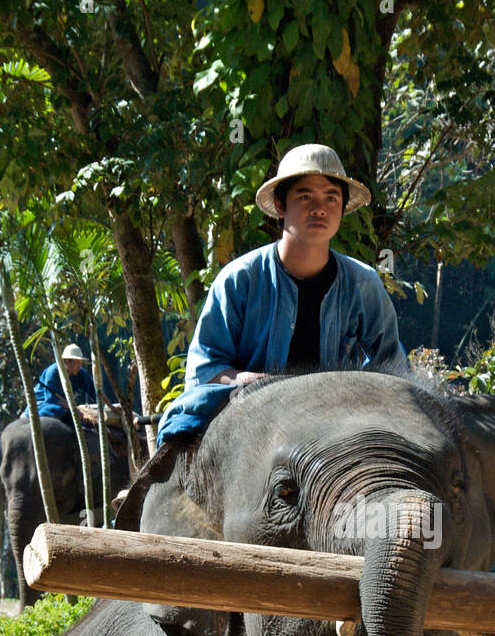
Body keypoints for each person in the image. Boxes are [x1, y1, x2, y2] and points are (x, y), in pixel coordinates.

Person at [157, 144, 409, 446]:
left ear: (342, 208)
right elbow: (205, 370)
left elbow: (393, 371)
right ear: (280, 205)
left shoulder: (363, 283)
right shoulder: (240, 279)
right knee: (181, 427)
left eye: (331, 197)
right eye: (305, 196)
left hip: (334, 427)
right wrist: (263, 386)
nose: (320, 208)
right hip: (249, 420)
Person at [33, 344, 97, 428]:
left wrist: (111, 406)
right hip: (44, 404)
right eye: (76, 363)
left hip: (65, 406)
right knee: (57, 411)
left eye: (80, 363)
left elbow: (96, 391)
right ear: (66, 361)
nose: (79, 366)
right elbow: (50, 399)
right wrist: (74, 409)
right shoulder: (52, 372)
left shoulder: (80, 373)